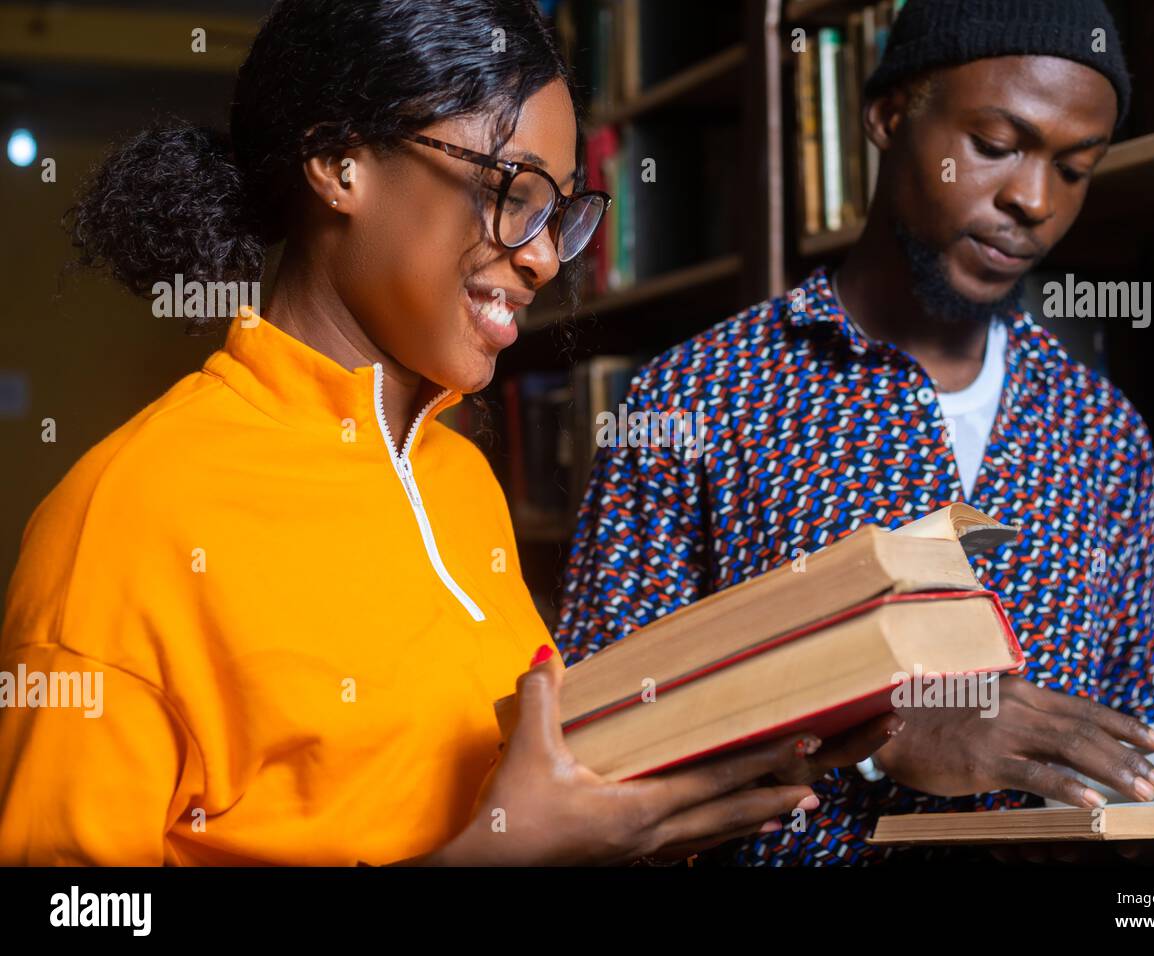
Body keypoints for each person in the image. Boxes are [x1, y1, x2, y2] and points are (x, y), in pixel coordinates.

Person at [0, 0, 901, 866]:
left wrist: (649, 819)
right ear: (338, 162)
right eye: (513, 190)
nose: (544, 256)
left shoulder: (462, 479)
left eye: (557, 211)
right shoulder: (121, 523)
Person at [557, 0, 1154, 865]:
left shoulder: (1104, 429)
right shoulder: (695, 396)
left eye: (1076, 168)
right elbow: (595, 751)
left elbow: (1151, 716)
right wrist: (875, 732)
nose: (1034, 200)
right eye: (997, 145)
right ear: (889, 116)